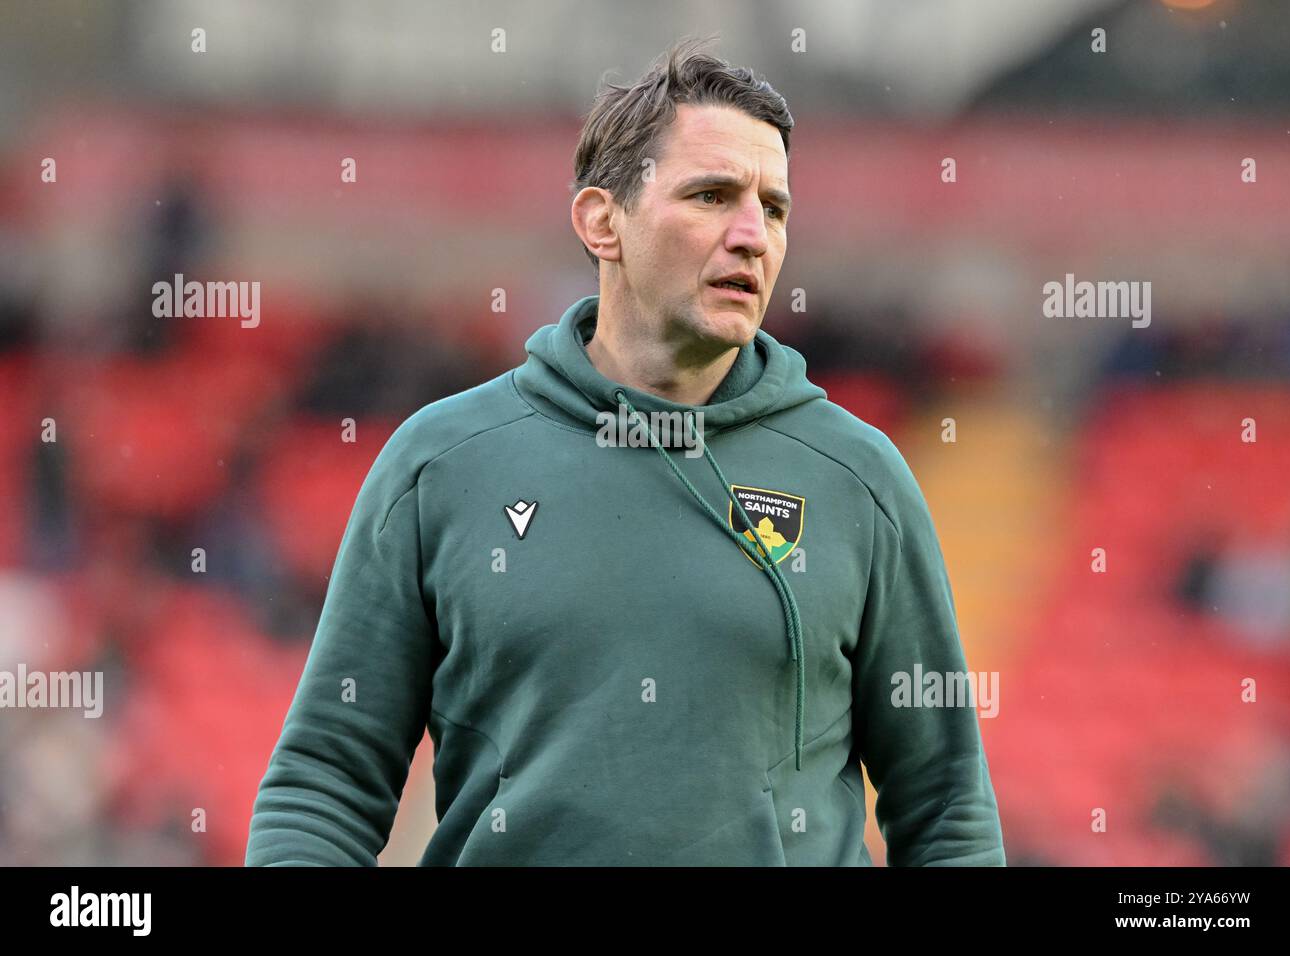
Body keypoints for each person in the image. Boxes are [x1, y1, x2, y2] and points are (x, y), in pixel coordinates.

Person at [245, 36, 1005, 867]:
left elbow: (945, 806)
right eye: (713, 196)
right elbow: (324, 783)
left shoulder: (859, 480)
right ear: (602, 221)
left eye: (774, 207)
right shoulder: (442, 466)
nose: (753, 235)